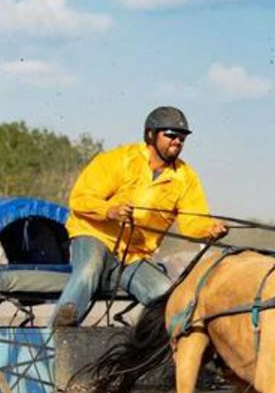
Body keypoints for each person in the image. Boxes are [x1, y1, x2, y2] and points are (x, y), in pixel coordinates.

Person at [52, 106, 228, 327]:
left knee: (165, 295)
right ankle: (59, 333)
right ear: (150, 135)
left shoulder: (186, 178)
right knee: (89, 270)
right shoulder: (120, 159)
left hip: (133, 256)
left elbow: (194, 222)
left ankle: (155, 354)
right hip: (94, 236)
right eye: (171, 135)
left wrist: (209, 229)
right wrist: (110, 210)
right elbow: (79, 199)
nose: (178, 142)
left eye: (182, 138)